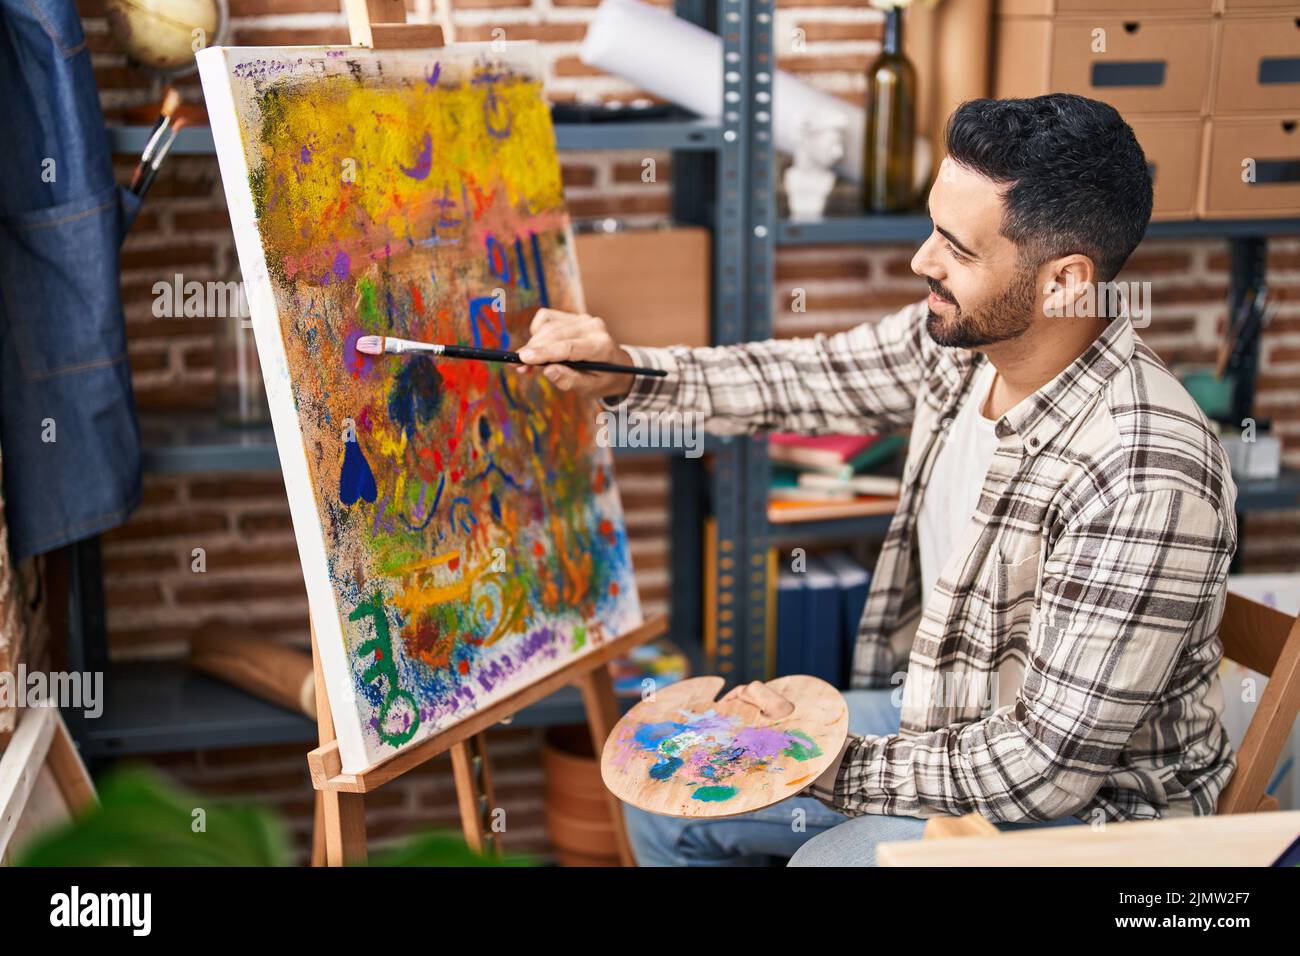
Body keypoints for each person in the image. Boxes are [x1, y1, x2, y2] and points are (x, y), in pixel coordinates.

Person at [515, 94, 1238, 866]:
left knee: (825, 860)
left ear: (1063, 282)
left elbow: (1044, 773)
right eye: (933, 227)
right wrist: (625, 371)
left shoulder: (1145, 473)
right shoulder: (965, 346)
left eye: (956, 249)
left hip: (1104, 819)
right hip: (948, 715)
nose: (922, 260)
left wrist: (811, 764)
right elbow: (800, 378)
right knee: (666, 808)